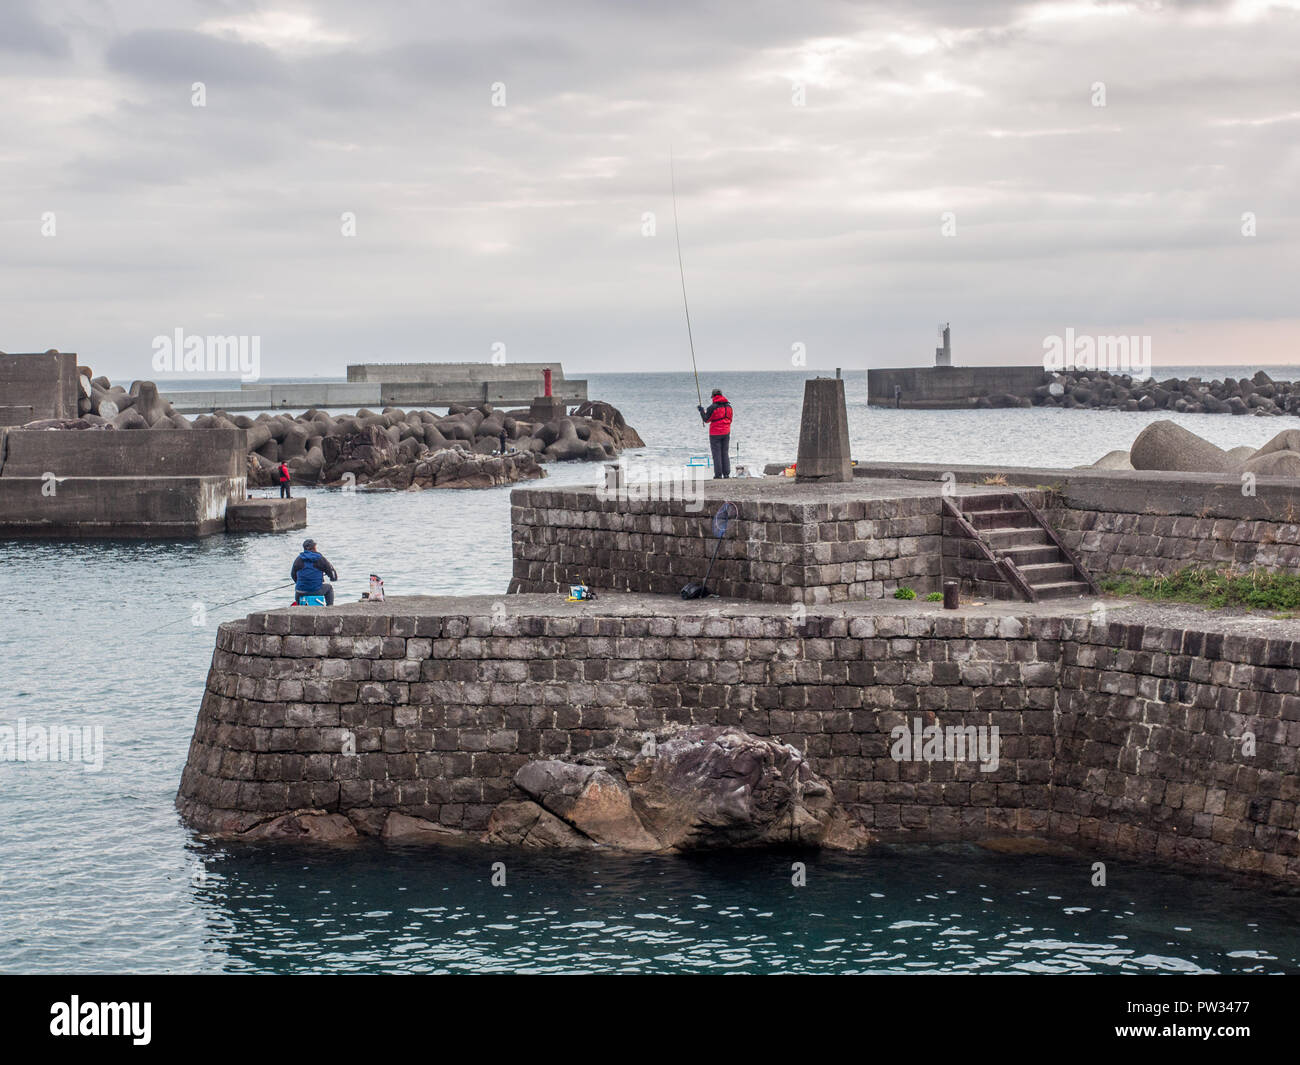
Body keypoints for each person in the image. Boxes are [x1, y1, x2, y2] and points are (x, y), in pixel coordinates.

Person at [697, 388, 733, 479]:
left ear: (713, 396)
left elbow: (706, 419)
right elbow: (730, 419)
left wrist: (701, 411)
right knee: (725, 452)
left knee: (716, 454)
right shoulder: (729, 407)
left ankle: (718, 475)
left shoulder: (712, 407)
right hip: (726, 432)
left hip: (715, 434)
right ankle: (726, 474)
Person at [292, 538, 338, 606]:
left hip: (300, 591)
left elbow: (293, 575)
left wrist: (300, 582)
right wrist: (332, 578)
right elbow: (333, 575)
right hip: (315, 590)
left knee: (298, 590)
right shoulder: (320, 558)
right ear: (314, 548)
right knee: (329, 588)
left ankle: (299, 607)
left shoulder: (298, 559)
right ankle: (330, 608)